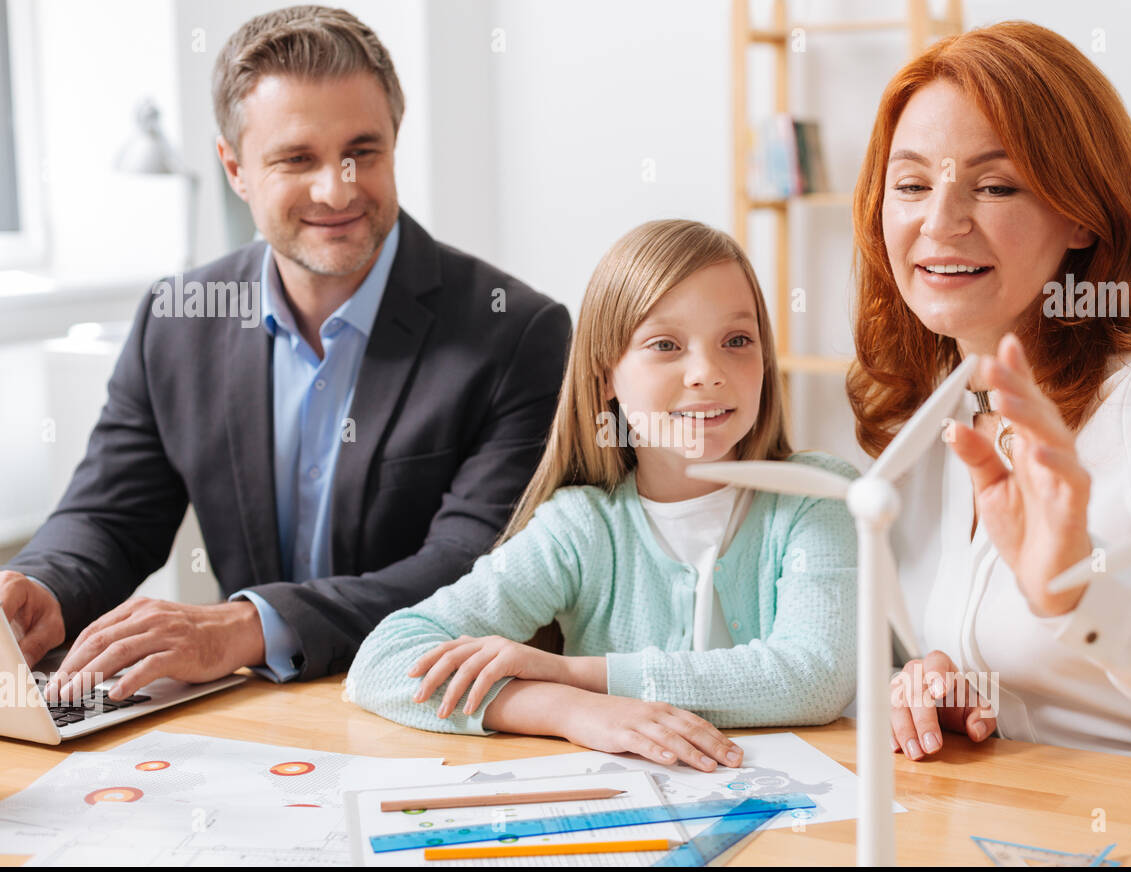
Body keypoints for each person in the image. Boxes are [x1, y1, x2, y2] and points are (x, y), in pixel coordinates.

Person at [1, 5, 570, 703]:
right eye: (297, 159)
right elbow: (111, 518)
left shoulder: (517, 333)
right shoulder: (176, 321)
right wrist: (44, 587)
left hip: (428, 707)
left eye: (364, 150)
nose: (338, 187)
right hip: (251, 714)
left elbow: (470, 569)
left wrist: (246, 627)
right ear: (235, 168)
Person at [846, 20, 1131, 774]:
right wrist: (948, 682)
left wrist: (1085, 591)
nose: (940, 221)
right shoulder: (949, 408)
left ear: (1082, 216)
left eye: (994, 186)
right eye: (912, 184)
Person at [346, 219, 858, 771]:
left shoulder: (819, 495)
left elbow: (815, 675)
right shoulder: (581, 529)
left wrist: (578, 675)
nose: (708, 373)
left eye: (737, 340)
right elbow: (381, 662)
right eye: (665, 345)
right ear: (606, 374)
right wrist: (568, 710)